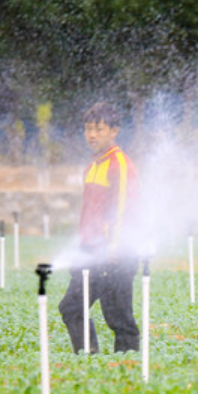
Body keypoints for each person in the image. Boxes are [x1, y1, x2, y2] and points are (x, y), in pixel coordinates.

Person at [58, 102, 141, 354]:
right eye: (87, 128)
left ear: (114, 131)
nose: (91, 135)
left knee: (119, 317)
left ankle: (127, 368)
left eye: (99, 129)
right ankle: (89, 357)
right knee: (72, 307)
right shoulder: (92, 166)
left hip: (116, 254)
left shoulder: (120, 165)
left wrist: (115, 249)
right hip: (90, 251)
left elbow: (124, 210)